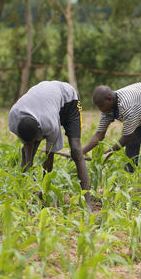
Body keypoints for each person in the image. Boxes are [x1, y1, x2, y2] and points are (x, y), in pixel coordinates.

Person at [8, 80, 92, 210]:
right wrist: (28, 174)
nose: (37, 141)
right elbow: (27, 147)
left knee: (76, 149)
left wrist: (43, 189)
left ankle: (87, 200)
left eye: (37, 138)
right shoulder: (14, 119)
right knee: (26, 153)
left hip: (69, 102)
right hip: (45, 102)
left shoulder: (50, 124)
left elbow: (49, 158)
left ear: (40, 129)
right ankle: (22, 195)